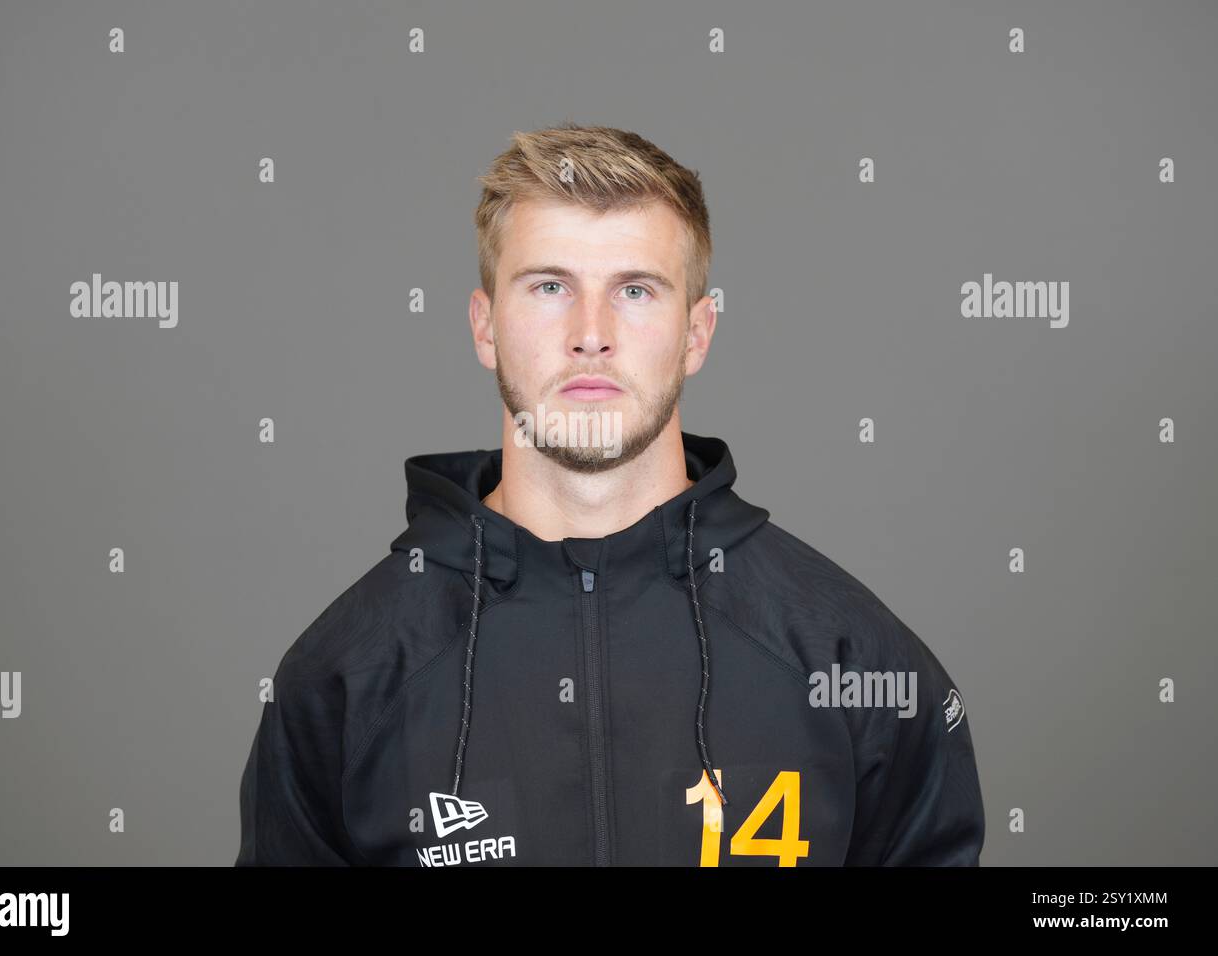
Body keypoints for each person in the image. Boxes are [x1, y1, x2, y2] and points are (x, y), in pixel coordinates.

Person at [235, 123, 985, 866]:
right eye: (550, 286)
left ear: (697, 332)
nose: (591, 334)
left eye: (634, 289)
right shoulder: (345, 676)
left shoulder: (853, 662)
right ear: (484, 326)